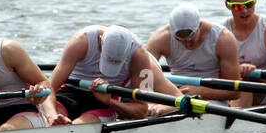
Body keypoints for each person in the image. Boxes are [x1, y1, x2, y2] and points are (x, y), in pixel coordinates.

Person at [47, 24, 181, 124]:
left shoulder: (140, 57)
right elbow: (49, 86)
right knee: (57, 118)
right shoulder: (81, 42)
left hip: (106, 99)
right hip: (71, 92)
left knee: (78, 126)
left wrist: (109, 101)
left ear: (130, 46)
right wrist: (52, 116)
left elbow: (141, 111)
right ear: (100, 41)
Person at [146, 2, 241, 103]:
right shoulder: (159, 39)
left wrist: (200, 91)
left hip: (212, 100)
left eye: (191, 39)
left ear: (200, 25)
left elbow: (235, 92)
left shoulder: (223, 39)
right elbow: (144, 79)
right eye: (180, 40)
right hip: (174, 94)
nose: (187, 44)